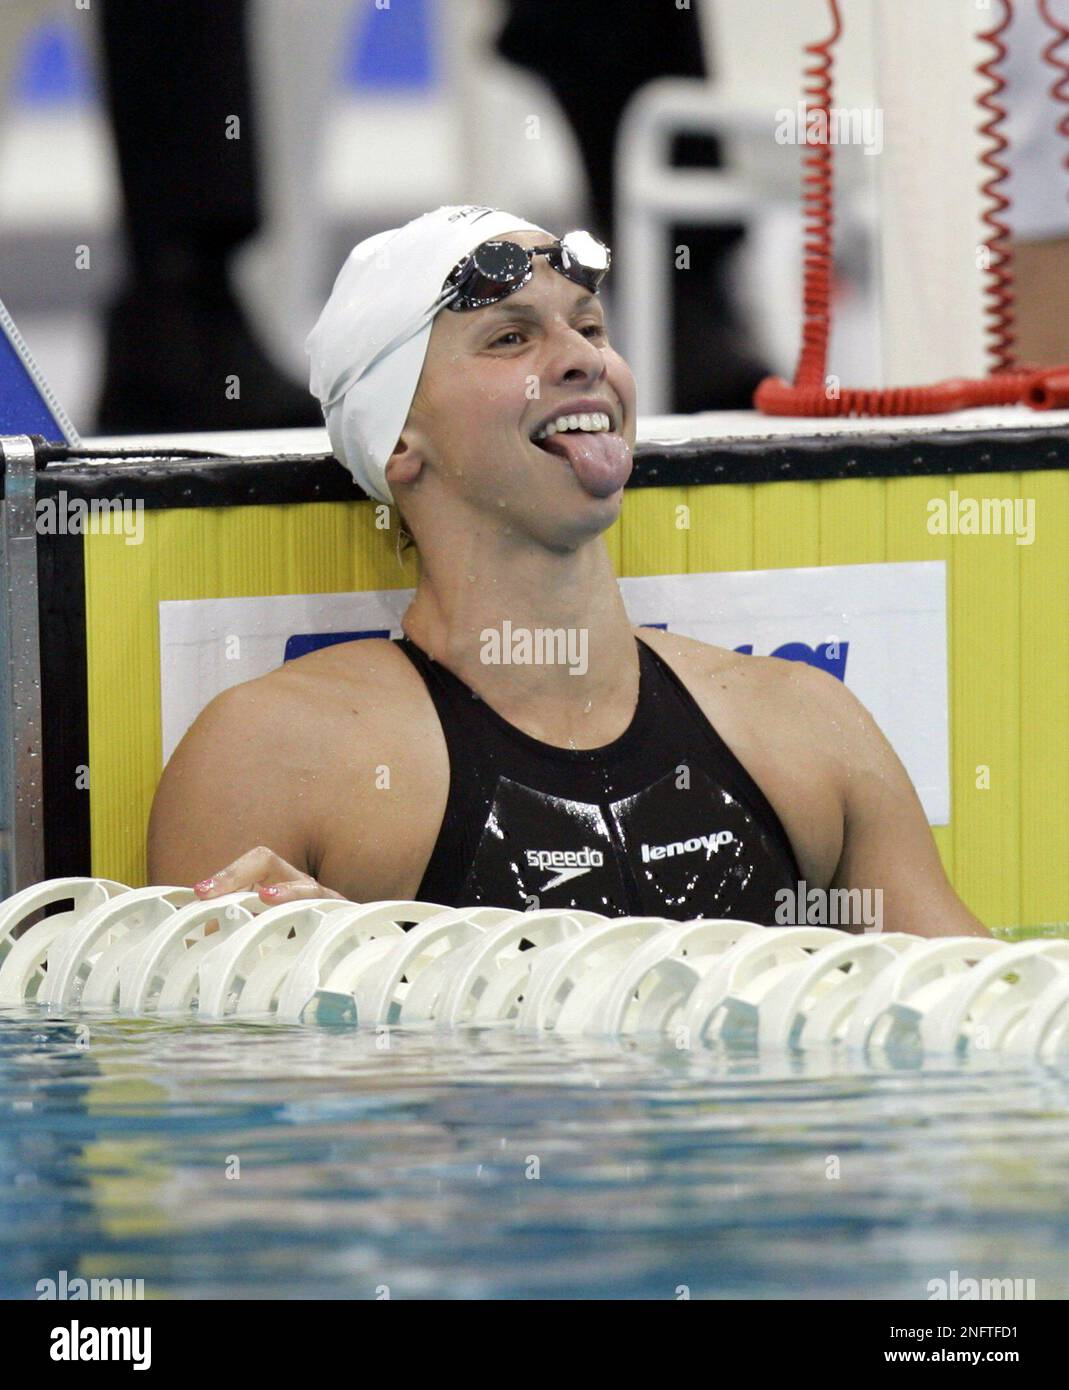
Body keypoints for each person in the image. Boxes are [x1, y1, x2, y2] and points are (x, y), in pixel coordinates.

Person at [147, 204, 990, 938]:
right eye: (510, 337)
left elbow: (994, 1035)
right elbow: (214, 1102)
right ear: (397, 438)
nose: (583, 358)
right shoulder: (278, 755)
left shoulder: (801, 725)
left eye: (588, 328)